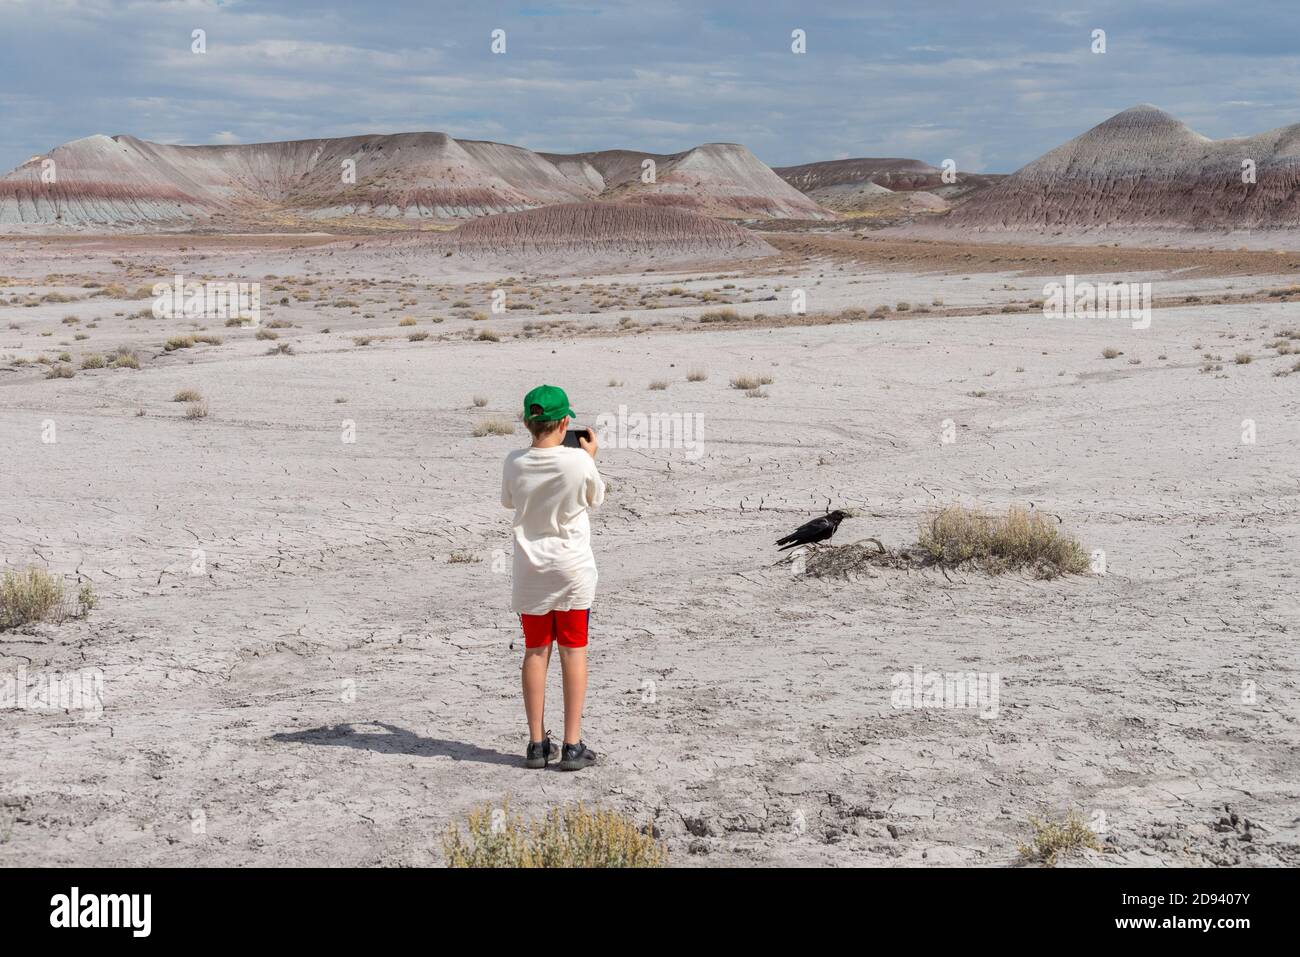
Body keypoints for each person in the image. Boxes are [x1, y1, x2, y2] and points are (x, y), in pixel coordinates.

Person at [500, 384, 605, 771]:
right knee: (573, 650)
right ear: (565, 424)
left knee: (535, 650)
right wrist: (590, 458)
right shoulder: (578, 463)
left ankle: (535, 744)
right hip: (572, 569)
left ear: (528, 423)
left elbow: (509, 500)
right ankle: (572, 743)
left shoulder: (514, 461)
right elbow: (596, 498)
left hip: (531, 571)